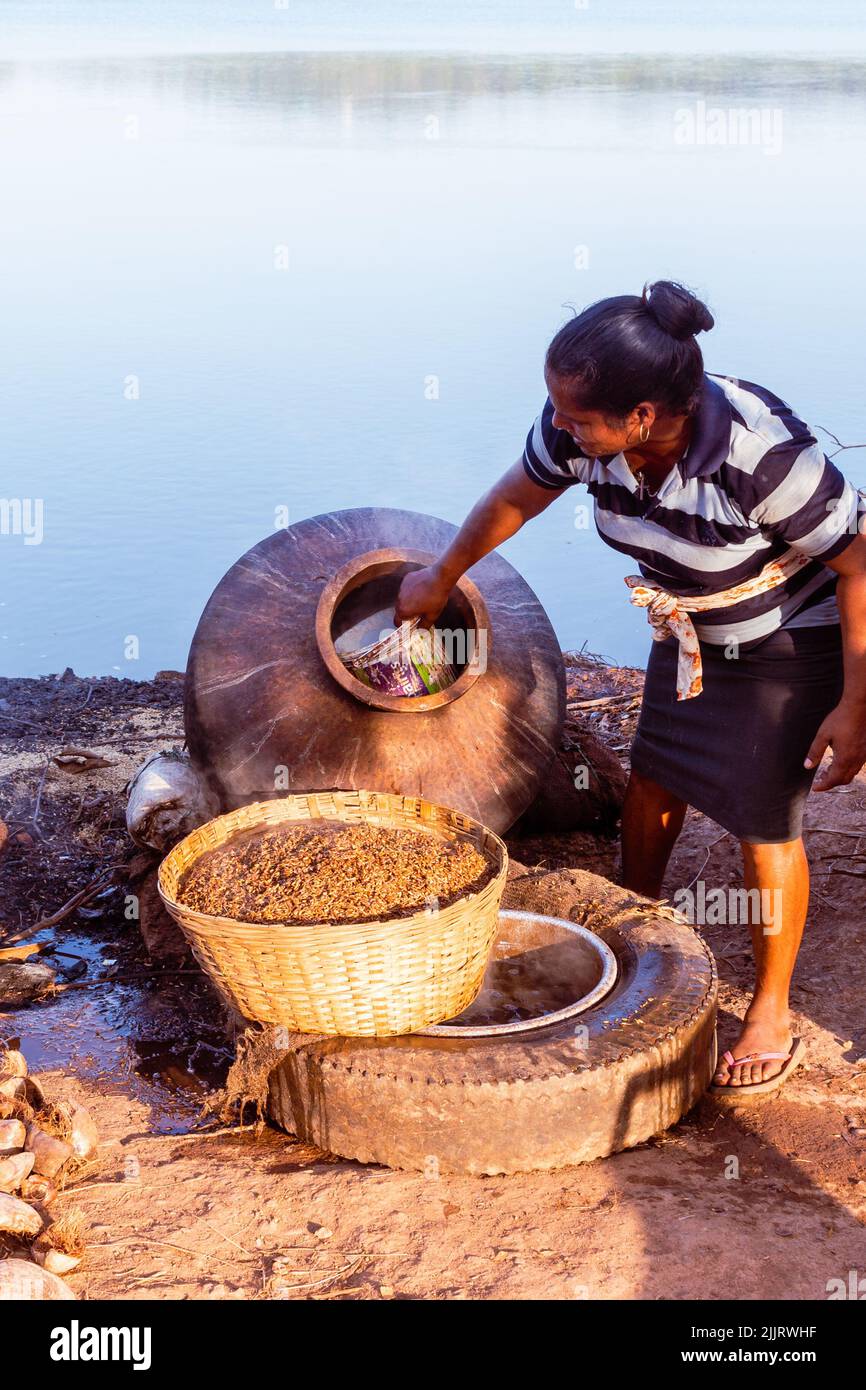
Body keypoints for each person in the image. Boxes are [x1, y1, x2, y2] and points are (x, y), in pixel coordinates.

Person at [394, 280, 866, 1096]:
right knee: (653, 776)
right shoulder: (582, 429)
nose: (561, 429)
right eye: (559, 413)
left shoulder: (762, 455)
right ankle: (635, 915)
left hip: (793, 638)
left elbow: (861, 562)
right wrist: (442, 574)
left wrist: (857, 705)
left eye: (579, 419)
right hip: (689, 624)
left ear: (643, 415)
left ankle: (769, 1008)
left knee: (763, 818)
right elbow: (517, 494)